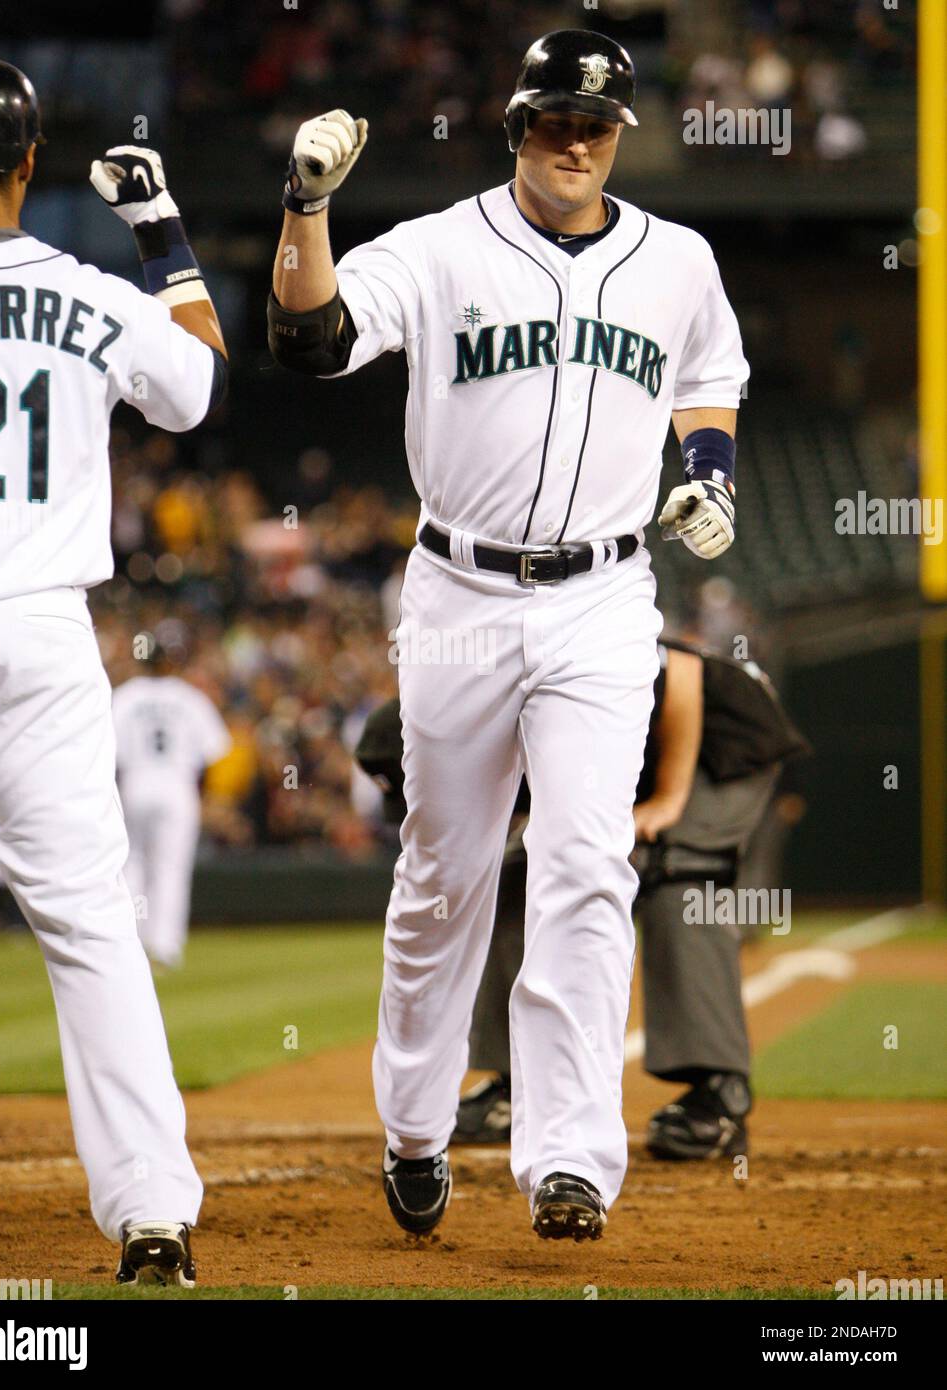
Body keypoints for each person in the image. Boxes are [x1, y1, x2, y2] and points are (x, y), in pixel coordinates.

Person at [270, 30, 748, 1241]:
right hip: (459, 596)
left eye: (597, 123)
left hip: (602, 598)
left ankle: (570, 1158)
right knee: (446, 873)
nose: (576, 139)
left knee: (589, 865)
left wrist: (708, 473)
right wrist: (304, 209)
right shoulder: (439, 247)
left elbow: (712, 378)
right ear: (516, 125)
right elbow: (310, 341)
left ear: (620, 135)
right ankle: (416, 1127)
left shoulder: (677, 259)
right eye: (553, 119)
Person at [0, 57, 227, 1286]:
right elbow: (199, 386)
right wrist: (161, 232)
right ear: (31, 164)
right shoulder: (93, 290)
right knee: (95, 927)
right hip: (45, 631)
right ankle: (153, 1212)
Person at [436, 641, 810, 1158]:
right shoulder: (462, 721)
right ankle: (512, 1086)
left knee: (677, 872)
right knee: (517, 881)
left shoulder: (534, 655)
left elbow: (683, 671)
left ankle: (718, 1095)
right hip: (624, 755)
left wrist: (670, 799)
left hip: (721, 737)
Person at [113, 625, 231, 970]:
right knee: (171, 867)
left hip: (134, 783)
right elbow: (214, 752)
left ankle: (130, 942)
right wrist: (204, 795)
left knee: (131, 863)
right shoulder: (189, 697)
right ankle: (164, 946)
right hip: (177, 786)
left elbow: (107, 753)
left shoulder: (125, 696)